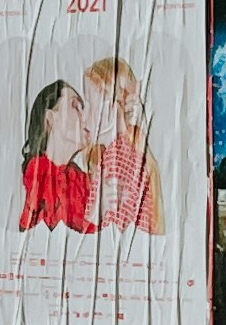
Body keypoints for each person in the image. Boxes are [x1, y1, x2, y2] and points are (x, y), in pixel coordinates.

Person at [81, 57, 165, 234]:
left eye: (90, 104)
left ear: (113, 106)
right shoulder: (108, 155)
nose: (84, 114)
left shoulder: (120, 158)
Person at [17, 81, 98, 233]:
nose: (85, 117)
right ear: (50, 118)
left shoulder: (84, 182)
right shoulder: (31, 176)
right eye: (75, 106)